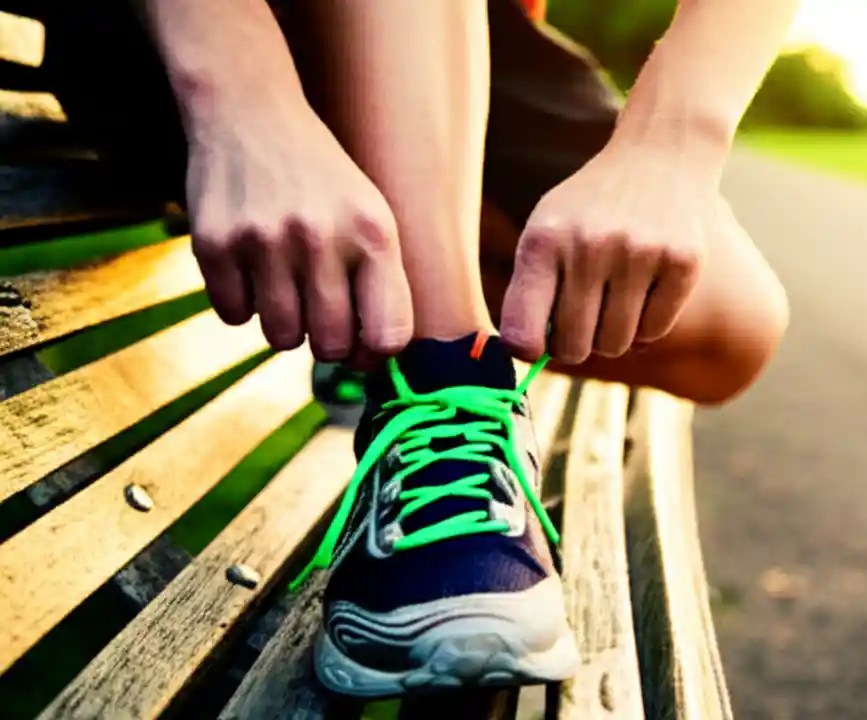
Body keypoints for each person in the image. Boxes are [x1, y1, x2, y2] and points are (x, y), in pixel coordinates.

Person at [89, 0, 793, 697]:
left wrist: (671, 149)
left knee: (730, 328)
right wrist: (244, 98)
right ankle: (436, 369)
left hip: (457, 42)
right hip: (192, 28)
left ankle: (373, 304)